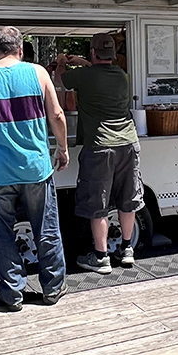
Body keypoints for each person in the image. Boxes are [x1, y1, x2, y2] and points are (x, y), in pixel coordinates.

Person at [0, 26, 69, 311]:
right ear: (20, 49)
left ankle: (12, 292)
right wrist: (62, 148)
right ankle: (53, 287)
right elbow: (57, 114)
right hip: (35, 169)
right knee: (46, 228)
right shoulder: (38, 73)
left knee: (2, 233)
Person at [56, 33, 144, 275]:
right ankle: (127, 249)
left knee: (98, 202)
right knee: (127, 199)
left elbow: (61, 80)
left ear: (93, 53)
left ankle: (101, 257)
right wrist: (84, 62)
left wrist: (62, 61)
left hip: (100, 146)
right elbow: (98, 71)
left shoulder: (84, 76)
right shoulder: (121, 76)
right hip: (129, 143)